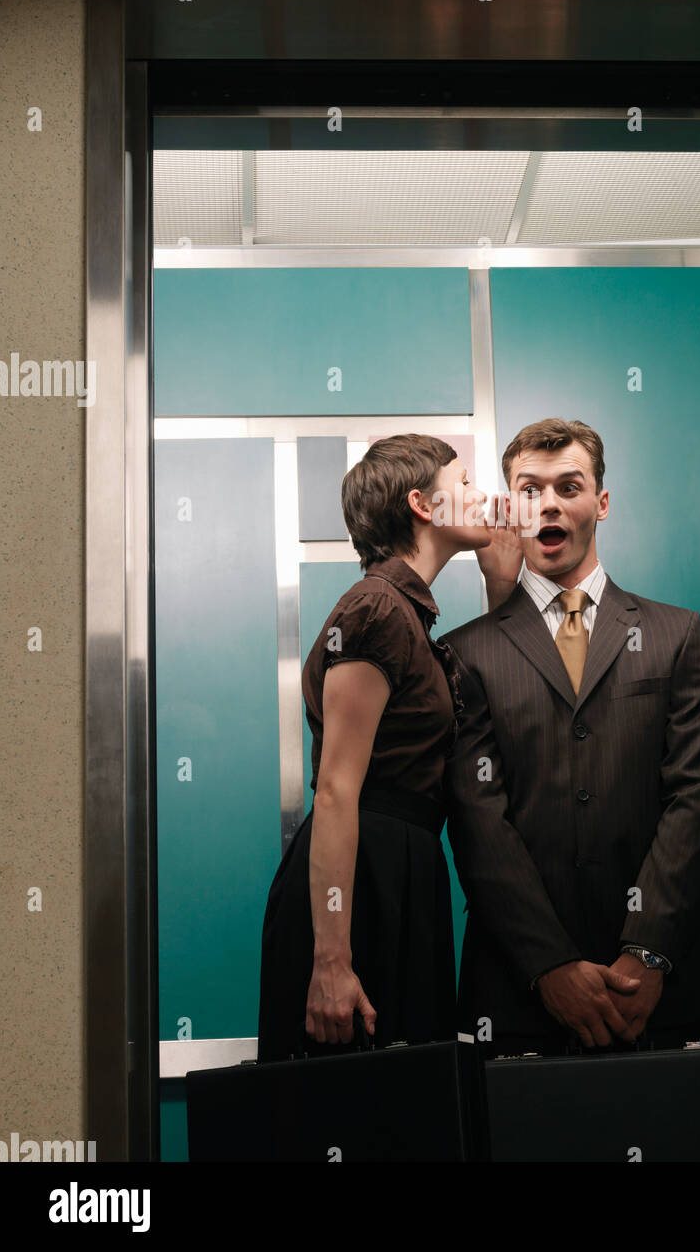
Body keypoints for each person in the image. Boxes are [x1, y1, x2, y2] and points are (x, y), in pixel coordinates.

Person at [443, 417, 700, 1055]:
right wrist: (549, 967)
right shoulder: (465, 653)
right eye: (530, 489)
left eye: (568, 487)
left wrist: (647, 955)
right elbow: (476, 821)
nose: (549, 503)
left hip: (662, 995)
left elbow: (698, 800)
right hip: (516, 998)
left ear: (600, 503)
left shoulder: (675, 634)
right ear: (512, 509)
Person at [256, 434, 490, 1061]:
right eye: (464, 482)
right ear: (422, 504)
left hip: (398, 873)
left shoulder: (403, 612)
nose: (481, 496)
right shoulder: (378, 608)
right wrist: (332, 961)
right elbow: (335, 789)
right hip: (365, 888)